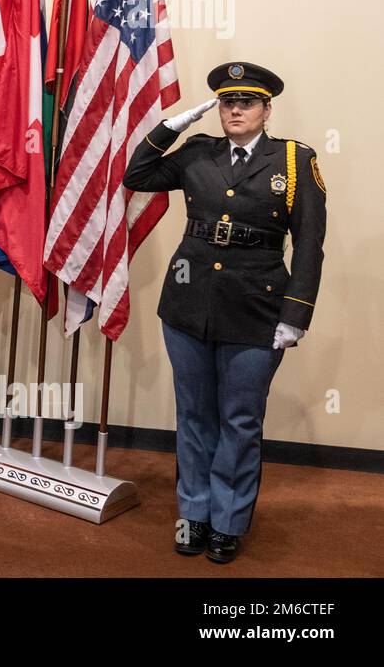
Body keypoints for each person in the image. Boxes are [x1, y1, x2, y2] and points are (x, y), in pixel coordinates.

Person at [123, 61, 327, 563]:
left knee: (239, 418)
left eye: (247, 101)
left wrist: (295, 314)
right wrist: (174, 125)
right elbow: (136, 174)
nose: (235, 109)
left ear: (266, 109)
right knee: (194, 415)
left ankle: (227, 521)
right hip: (189, 304)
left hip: (258, 308)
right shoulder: (197, 153)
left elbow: (309, 244)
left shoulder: (295, 162)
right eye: (227, 101)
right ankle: (193, 515)